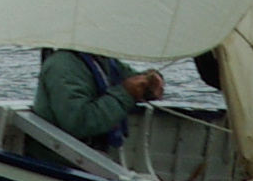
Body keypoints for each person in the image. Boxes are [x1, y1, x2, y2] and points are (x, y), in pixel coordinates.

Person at [36, 49, 165, 153]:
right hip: (63, 160)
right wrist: (126, 93)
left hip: (91, 155)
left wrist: (149, 82)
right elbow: (79, 122)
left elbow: (130, 78)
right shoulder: (62, 66)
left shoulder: (100, 59)